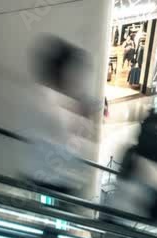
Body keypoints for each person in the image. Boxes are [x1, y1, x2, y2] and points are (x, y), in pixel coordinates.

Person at [25, 36, 95, 196]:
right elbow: (69, 140)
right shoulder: (46, 99)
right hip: (50, 182)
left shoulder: (51, 97)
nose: (78, 79)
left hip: (54, 179)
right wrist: (81, 116)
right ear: (62, 70)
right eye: (75, 71)